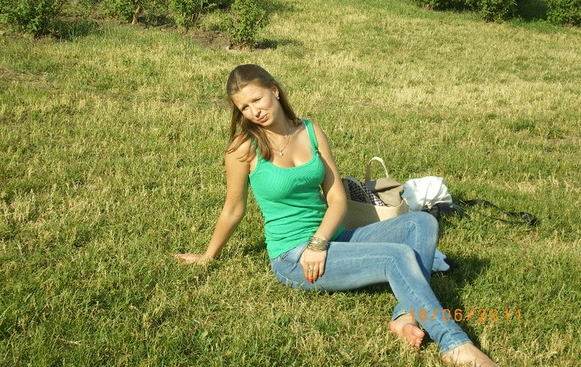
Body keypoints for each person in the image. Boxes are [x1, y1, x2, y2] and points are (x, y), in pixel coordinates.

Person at [175, 64, 497, 366]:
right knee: (397, 256)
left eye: (256, 100)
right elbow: (233, 208)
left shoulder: (310, 131)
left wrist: (320, 241)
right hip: (293, 256)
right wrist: (208, 256)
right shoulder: (243, 147)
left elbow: (337, 199)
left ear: (274, 90)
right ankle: (454, 343)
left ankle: (404, 316)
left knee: (422, 222)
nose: (253, 111)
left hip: (334, 237)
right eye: (244, 107)